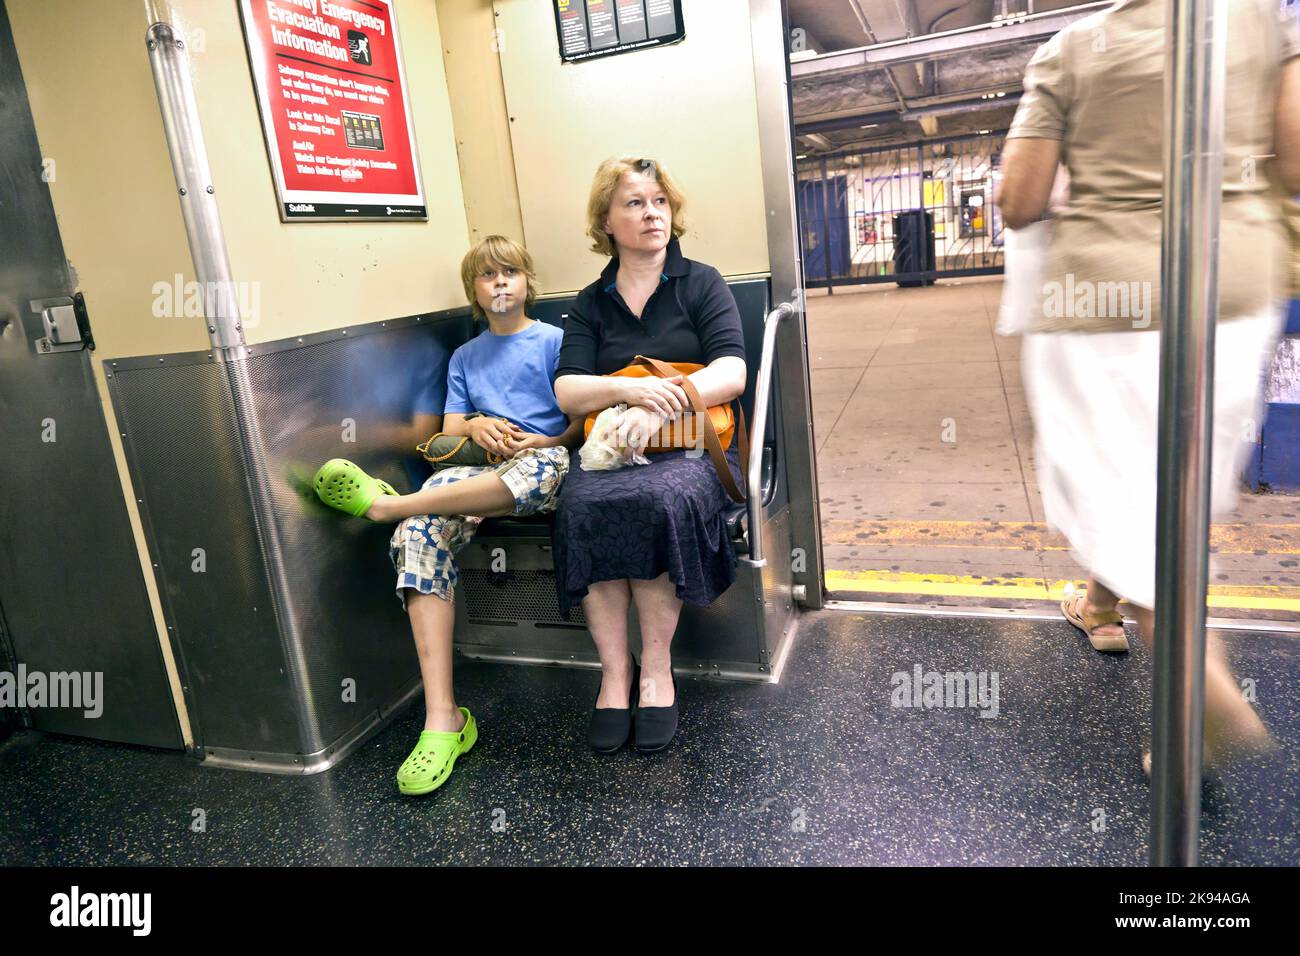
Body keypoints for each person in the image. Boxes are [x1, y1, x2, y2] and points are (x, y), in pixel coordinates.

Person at [997, 0, 1299, 774]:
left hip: (1108, 295)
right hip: (1233, 287)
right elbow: (1295, 160)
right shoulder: (1264, 22)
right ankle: (1101, 606)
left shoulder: (1071, 49)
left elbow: (1021, 197)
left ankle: (1201, 692)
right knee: (1166, 484)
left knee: (1118, 483)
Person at [313, 235, 583, 795]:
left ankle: (388, 503)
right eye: (488, 276)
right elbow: (451, 428)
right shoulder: (465, 355)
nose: (501, 283)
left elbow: (579, 423)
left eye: (510, 272)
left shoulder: (557, 342)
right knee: (417, 535)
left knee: (523, 474)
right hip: (477, 468)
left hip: (543, 463)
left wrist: (541, 438)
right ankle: (445, 720)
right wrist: (479, 427)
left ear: (528, 281)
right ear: (474, 292)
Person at [551, 157, 748, 754]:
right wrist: (625, 388)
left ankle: (656, 667)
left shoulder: (701, 282)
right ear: (606, 222)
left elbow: (733, 371)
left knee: (658, 499)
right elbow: (567, 390)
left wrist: (664, 406)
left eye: (659, 201)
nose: (652, 214)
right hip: (612, 451)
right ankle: (615, 672)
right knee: (581, 505)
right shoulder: (590, 302)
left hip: (692, 449)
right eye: (635, 203)